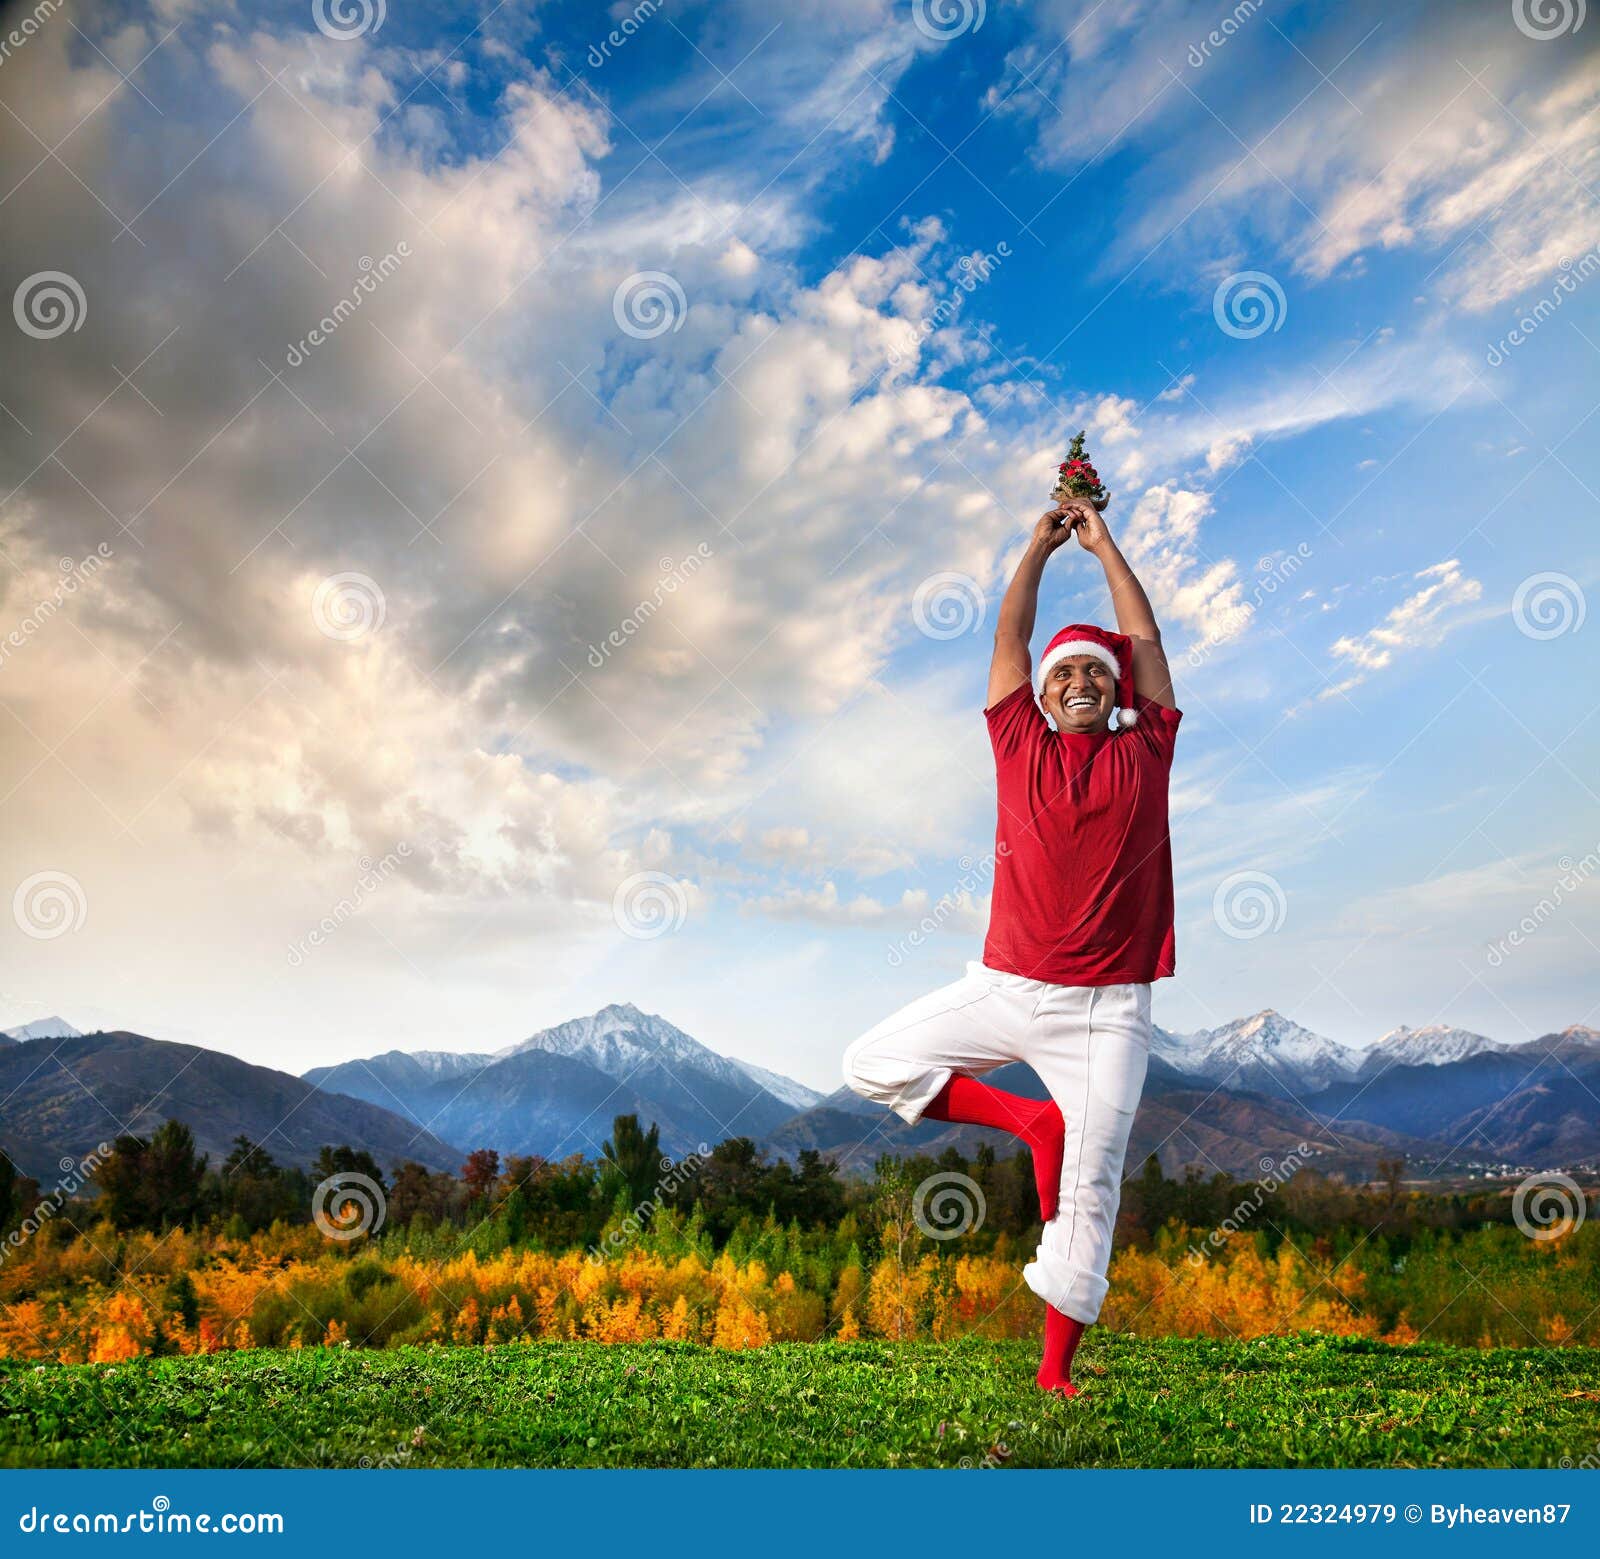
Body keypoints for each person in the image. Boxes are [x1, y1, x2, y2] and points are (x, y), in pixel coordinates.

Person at [840, 496, 1181, 1396]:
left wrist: (1104, 547)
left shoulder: (1146, 751)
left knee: (1090, 1191)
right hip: (1004, 986)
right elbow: (1009, 640)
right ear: (1041, 693)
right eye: (1064, 671)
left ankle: (1054, 1374)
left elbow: (1144, 641)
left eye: (1096, 674)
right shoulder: (1015, 741)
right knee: (870, 1059)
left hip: (1109, 1012)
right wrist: (1034, 548)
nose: (1080, 681)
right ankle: (1030, 1119)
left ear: (1117, 692)